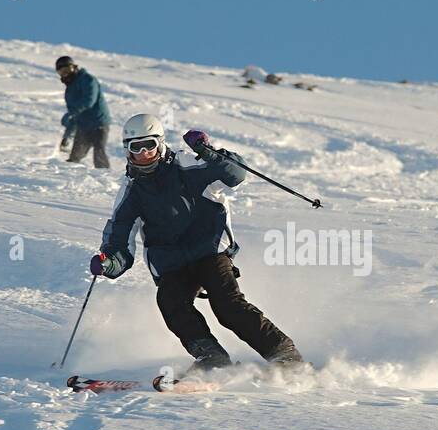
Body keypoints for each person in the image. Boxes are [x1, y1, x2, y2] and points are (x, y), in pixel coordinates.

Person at [90, 114, 304, 373]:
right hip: (170, 262)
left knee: (227, 305)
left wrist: (208, 152)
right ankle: (212, 358)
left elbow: (236, 175)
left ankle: (284, 355)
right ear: (127, 150)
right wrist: (110, 262)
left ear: (160, 143)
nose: (144, 152)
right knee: (171, 303)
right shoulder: (131, 190)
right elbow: (119, 238)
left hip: (209, 250)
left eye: (149, 144)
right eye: (137, 147)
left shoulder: (188, 164)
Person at [56, 55, 111, 168]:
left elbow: (89, 101)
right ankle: (69, 179)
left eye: (67, 70)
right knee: (74, 157)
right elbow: (73, 117)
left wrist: (71, 113)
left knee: (99, 152)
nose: (65, 74)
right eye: (62, 72)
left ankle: (105, 177)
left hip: (98, 123)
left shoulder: (88, 80)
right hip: (83, 126)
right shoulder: (69, 91)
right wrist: (67, 136)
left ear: (74, 67)